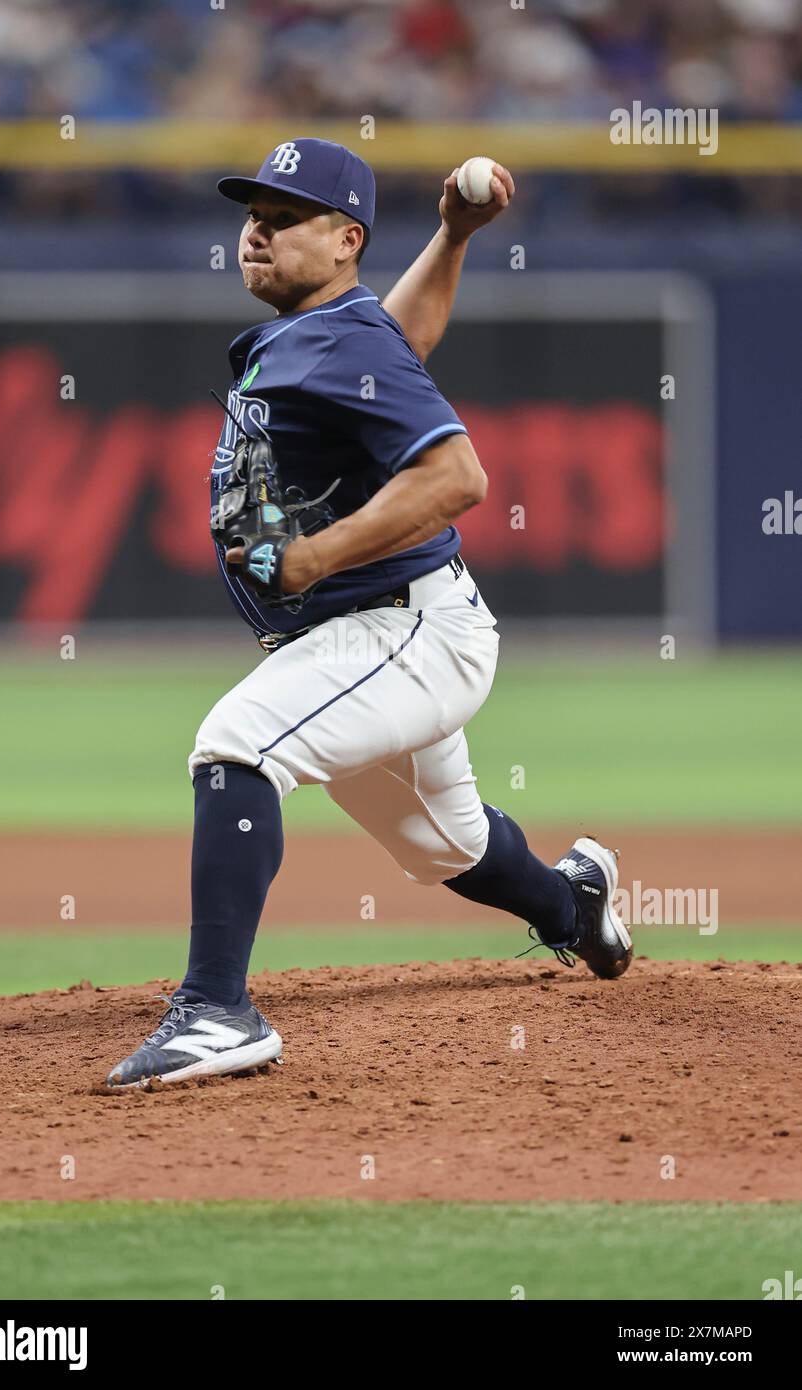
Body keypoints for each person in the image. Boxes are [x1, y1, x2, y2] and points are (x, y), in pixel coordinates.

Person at [106, 138, 632, 1089]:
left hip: (406, 627)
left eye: (282, 218)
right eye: (250, 215)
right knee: (447, 845)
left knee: (238, 744)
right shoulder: (335, 328)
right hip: (371, 634)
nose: (254, 234)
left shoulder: (337, 335)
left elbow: (458, 477)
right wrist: (454, 235)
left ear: (346, 238)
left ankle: (216, 1012)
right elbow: (403, 338)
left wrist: (311, 555)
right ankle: (574, 902)